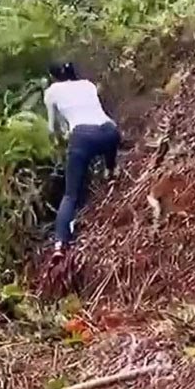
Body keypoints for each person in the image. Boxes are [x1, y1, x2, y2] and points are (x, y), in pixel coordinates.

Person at [44, 61, 121, 259]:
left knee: (70, 195)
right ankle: (111, 171)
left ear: (53, 77)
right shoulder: (87, 84)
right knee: (108, 150)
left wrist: (61, 143)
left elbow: (53, 130)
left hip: (82, 137)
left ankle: (60, 244)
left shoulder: (52, 91)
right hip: (110, 132)